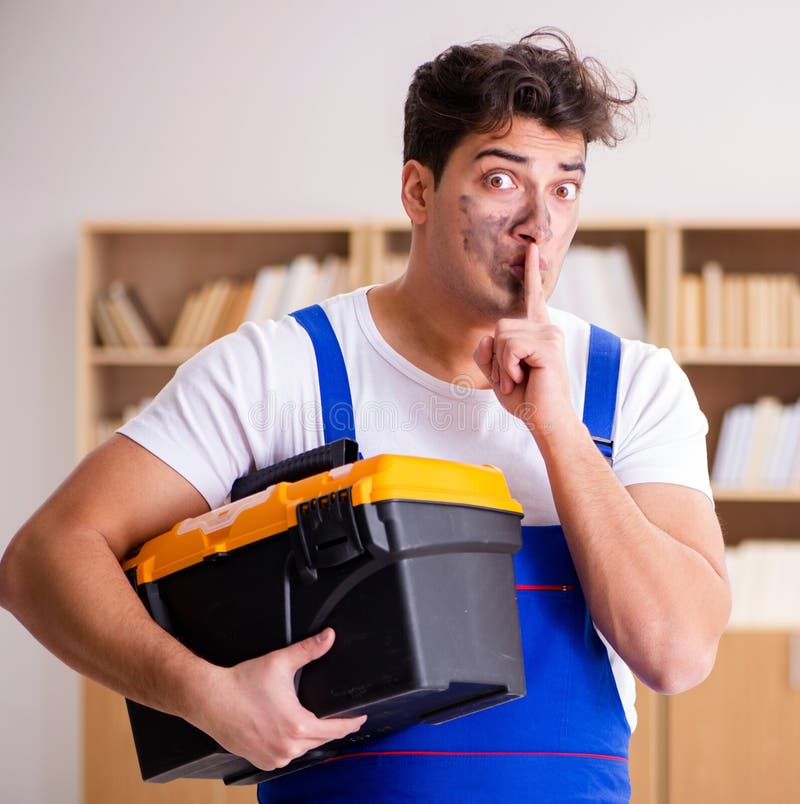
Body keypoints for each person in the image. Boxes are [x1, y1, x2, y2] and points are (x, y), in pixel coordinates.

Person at [0, 27, 730, 803]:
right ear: (418, 191)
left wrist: (556, 430)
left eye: (564, 187)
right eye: (502, 180)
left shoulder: (633, 387)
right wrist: (201, 694)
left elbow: (677, 655)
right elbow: (44, 559)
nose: (539, 224)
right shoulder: (278, 373)